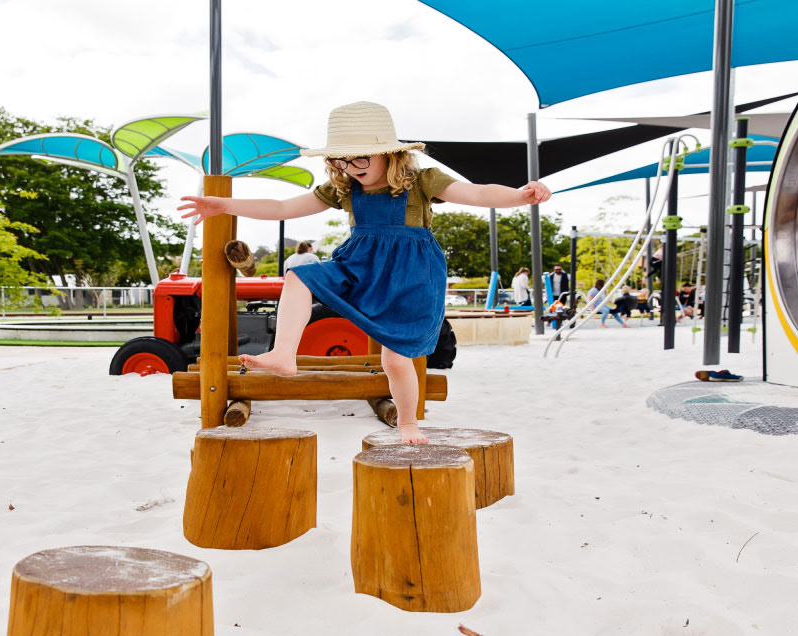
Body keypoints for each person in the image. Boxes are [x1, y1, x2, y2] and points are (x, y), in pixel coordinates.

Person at [178, 101, 549, 444]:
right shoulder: (344, 189)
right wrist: (223, 204)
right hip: (359, 265)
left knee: (395, 358)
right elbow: (282, 206)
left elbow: (479, 194)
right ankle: (283, 354)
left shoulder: (422, 181)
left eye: (358, 160)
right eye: (341, 162)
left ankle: (407, 422)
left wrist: (520, 195)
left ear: (390, 154)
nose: (349, 169)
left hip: (410, 274)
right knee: (299, 277)